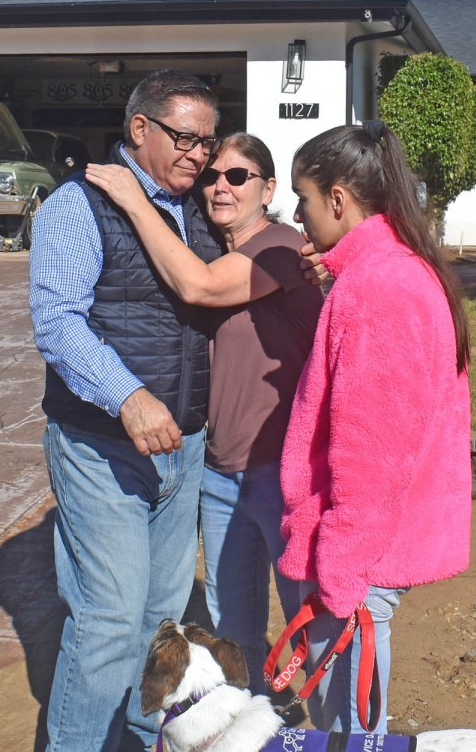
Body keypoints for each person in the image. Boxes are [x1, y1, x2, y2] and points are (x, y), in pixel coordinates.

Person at [28, 69, 224, 752]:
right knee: (110, 620)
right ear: (139, 129)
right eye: (185, 138)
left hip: (184, 448)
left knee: (159, 620)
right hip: (103, 446)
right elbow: (58, 324)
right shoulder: (77, 206)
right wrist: (128, 396)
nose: (199, 155)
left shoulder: (201, 210)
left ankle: (145, 750)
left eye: (208, 141)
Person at [84, 132, 323, 695]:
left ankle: (340, 740)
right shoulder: (219, 248)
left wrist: (135, 201)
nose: (221, 185)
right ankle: (251, 730)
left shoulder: (282, 248)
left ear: (266, 189)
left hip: (281, 470)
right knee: (233, 627)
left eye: (238, 177)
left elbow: (199, 288)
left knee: (308, 623)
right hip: (220, 471)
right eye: (213, 175)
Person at [278, 120, 472, 734]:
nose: (298, 215)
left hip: (363, 556)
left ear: (338, 199)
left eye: (303, 200)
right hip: (370, 547)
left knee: (355, 736)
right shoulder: (388, 271)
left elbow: (373, 451)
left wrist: (342, 568)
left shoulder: (381, 286)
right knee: (353, 729)